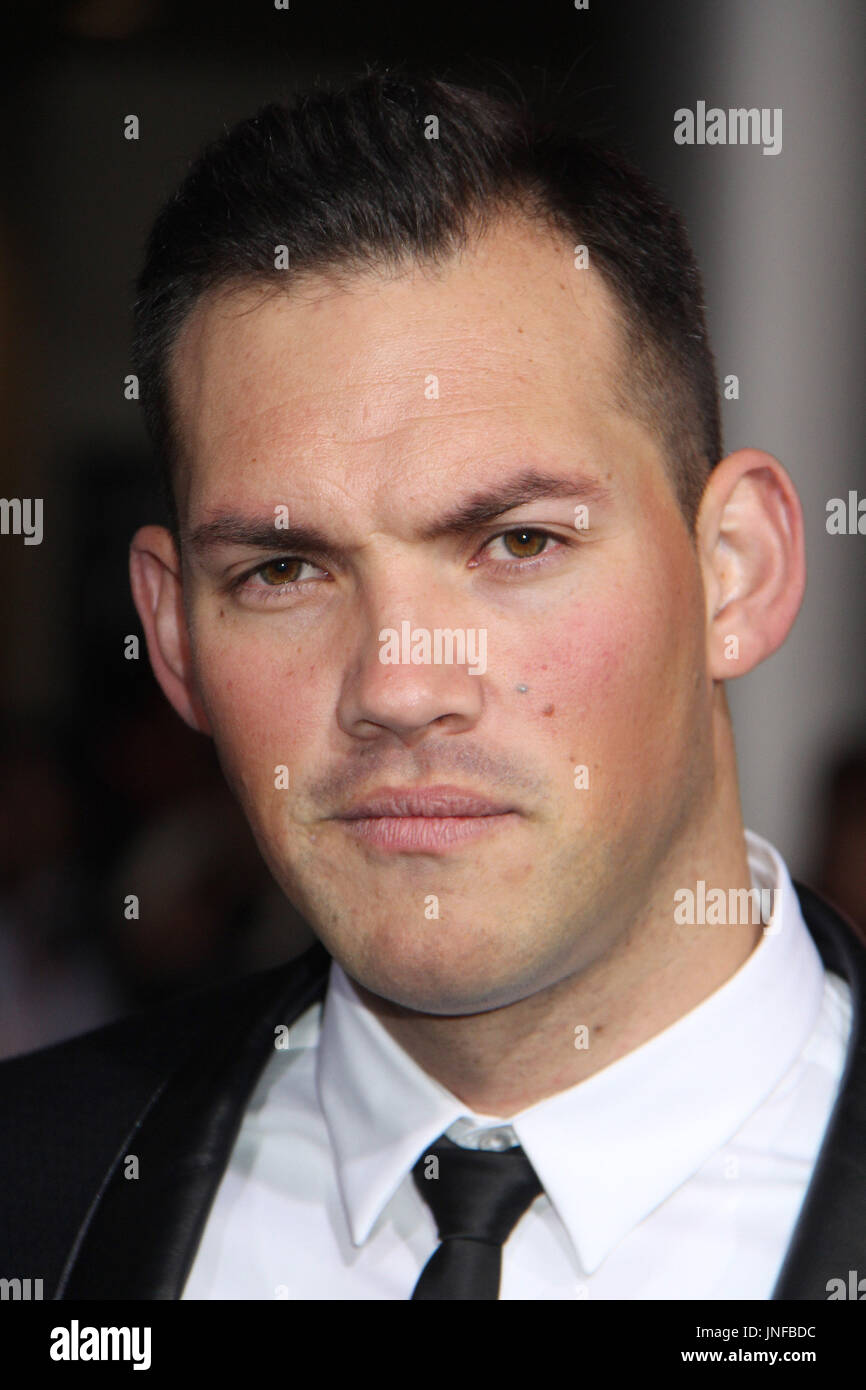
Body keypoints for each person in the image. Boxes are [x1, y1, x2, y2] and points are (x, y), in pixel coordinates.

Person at [1, 67, 862, 1302]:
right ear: (174, 635)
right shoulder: (31, 1189)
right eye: (285, 569)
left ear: (735, 572)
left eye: (517, 543)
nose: (401, 685)